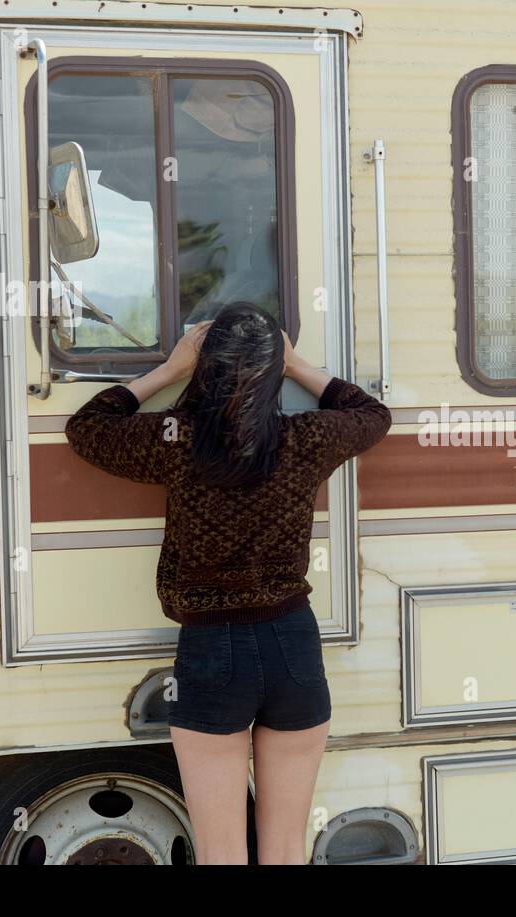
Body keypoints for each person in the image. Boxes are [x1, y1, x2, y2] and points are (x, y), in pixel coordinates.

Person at [63, 301, 391, 864]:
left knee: (222, 852)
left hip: (213, 651)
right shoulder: (305, 440)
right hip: (293, 643)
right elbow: (372, 414)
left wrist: (168, 371)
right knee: (287, 849)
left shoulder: (176, 439)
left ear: (204, 367)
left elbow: (87, 427)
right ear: (272, 371)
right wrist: (297, 365)